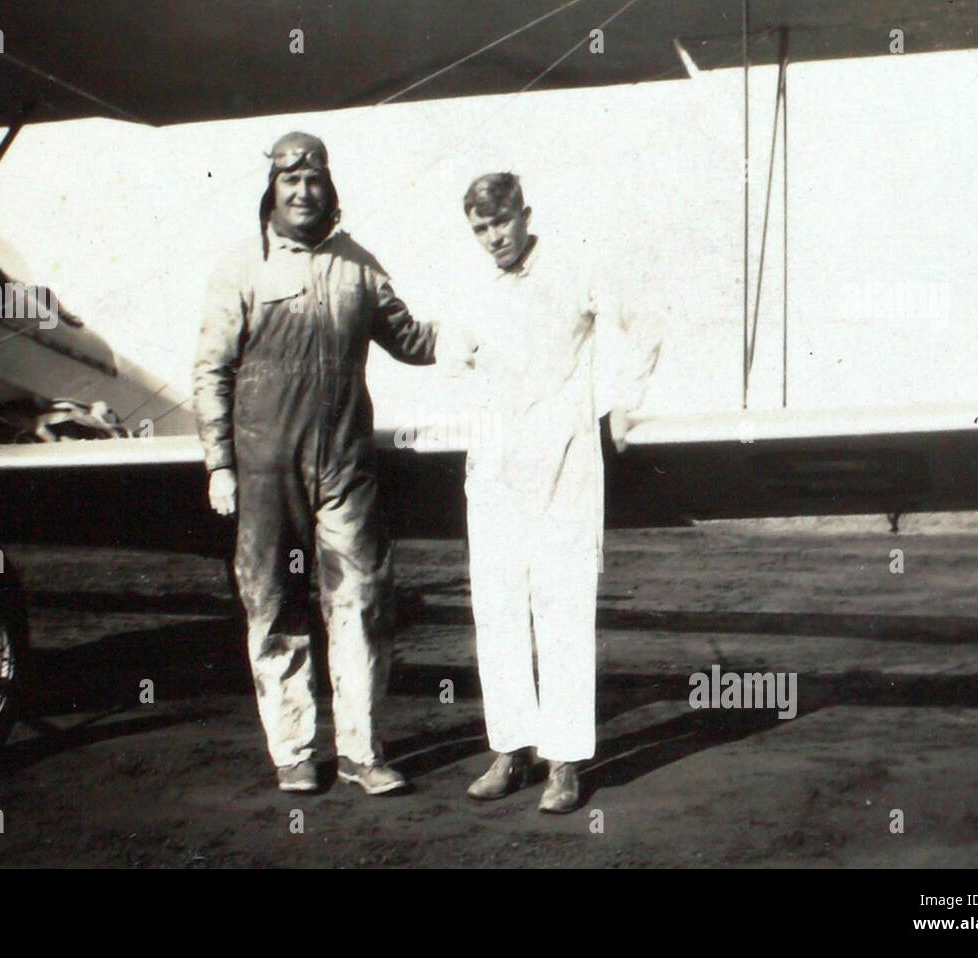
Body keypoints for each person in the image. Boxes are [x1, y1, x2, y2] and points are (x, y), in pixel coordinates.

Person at [193, 132, 437, 795]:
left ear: (329, 189)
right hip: (265, 470)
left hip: (345, 469)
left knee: (360, 602)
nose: (303, 192)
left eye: (314, 181)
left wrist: (484, 332)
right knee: (274, 609)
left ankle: (362, 752)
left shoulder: (358, 266)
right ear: (271, 190)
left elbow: (413, 340)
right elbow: (211, 371)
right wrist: (219, 463)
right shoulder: (240, 269)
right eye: (289, 181)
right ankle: (295, 752)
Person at [445, 172, 658, 813]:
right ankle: (511, 749)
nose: (493, 237)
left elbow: (644, 323)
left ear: (525, 213)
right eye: (480, 228)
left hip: (565, 461)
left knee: (561, 607)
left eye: (501, 222)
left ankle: (564, 761)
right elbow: (452, 358)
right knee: (497, 606)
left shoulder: (574, 267)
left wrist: (623, 405)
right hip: (494, 466)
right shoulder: (472, 288)